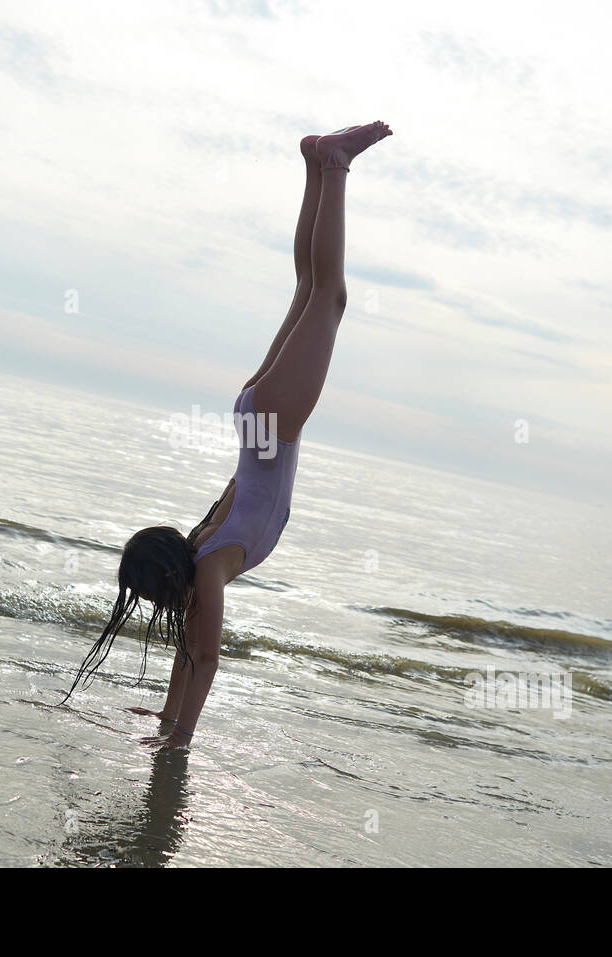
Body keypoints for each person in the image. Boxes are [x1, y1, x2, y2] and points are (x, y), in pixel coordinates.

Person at [63, 122, 393, 749]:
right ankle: (314, 163)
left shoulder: (211, 566)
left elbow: (206, 661)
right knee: (312, 289)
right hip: (256, 418)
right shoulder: (204, 544)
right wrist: (166, 722)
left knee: (330, 295)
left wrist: (178, 742)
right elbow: (189, 657)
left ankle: (336, 163)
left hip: (273, 422)